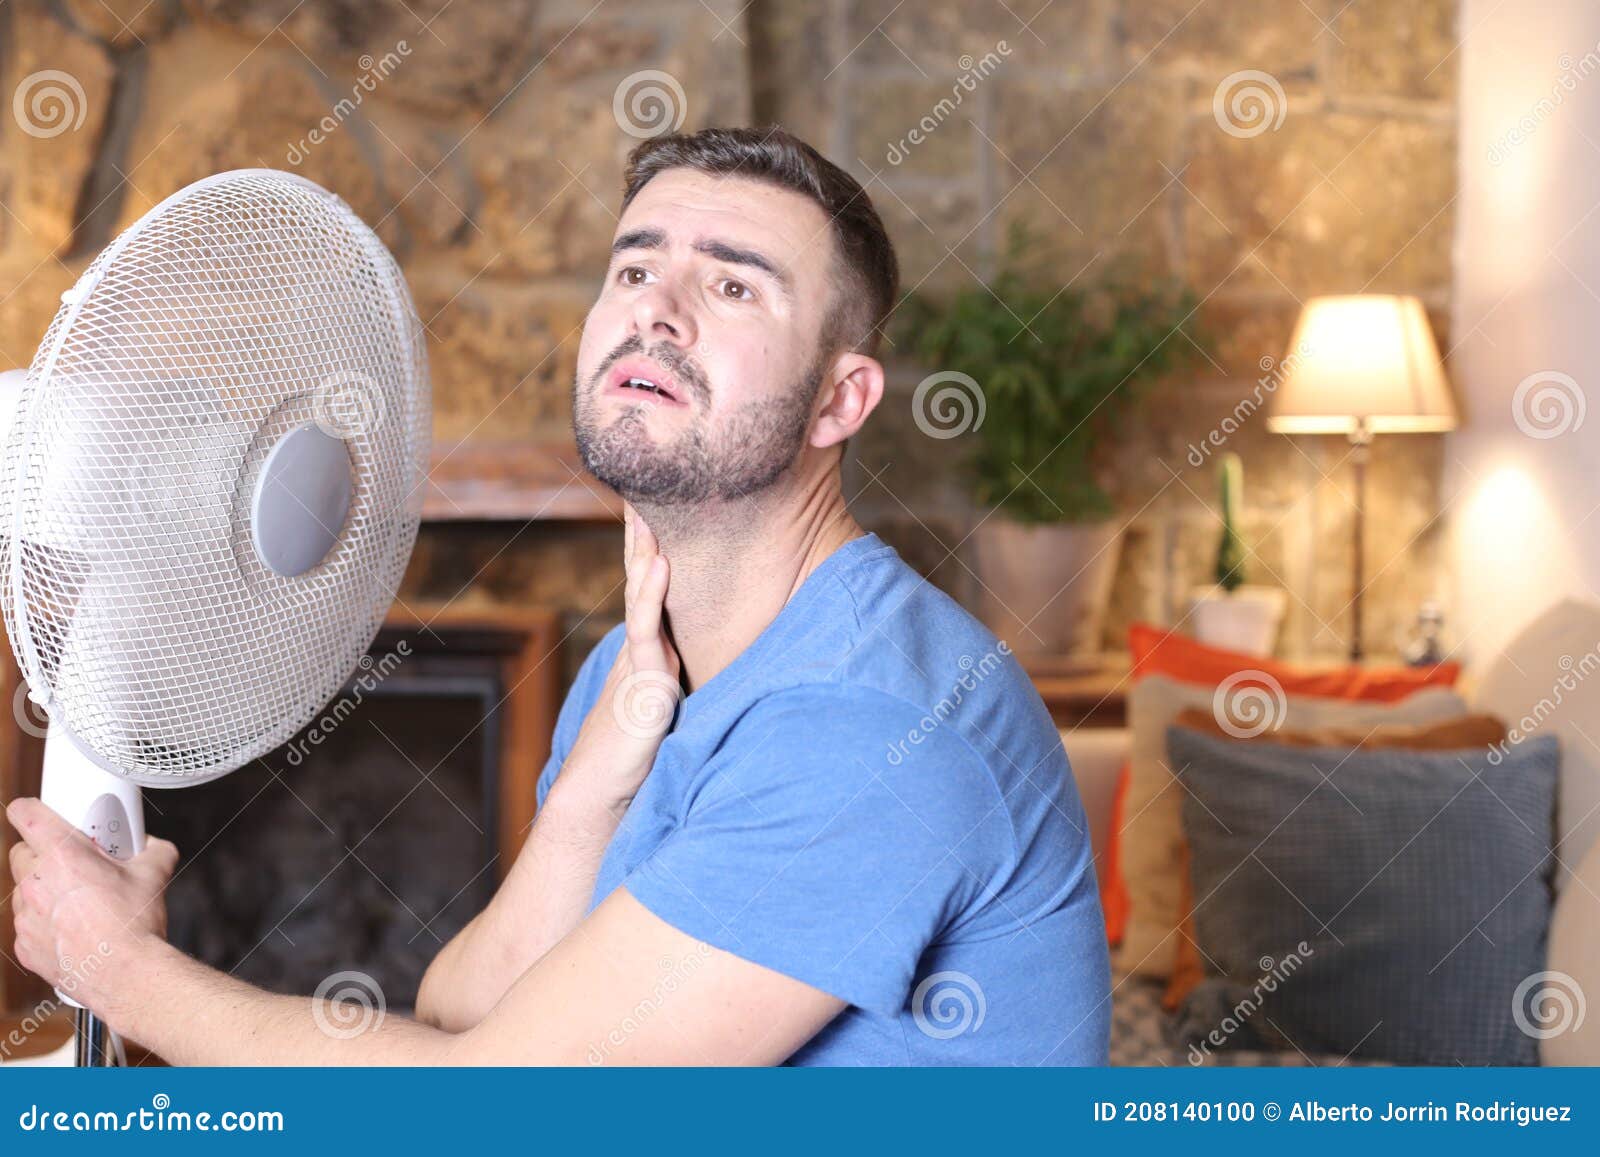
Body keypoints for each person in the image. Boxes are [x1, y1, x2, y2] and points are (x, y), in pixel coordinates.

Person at [6, 126, 1110, 1065]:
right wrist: (588, 797)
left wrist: (120, 969)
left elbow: (501, 1104)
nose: (655, 312)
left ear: (839, 398)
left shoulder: (874, 723)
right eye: (633, 269)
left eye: (731, 285)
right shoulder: (636, 674)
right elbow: (458, 1014)